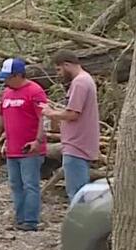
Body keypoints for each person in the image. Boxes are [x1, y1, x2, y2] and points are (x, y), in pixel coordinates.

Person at [0, 58, 48, 232]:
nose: (5, 82)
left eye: (8, 78)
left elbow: (43, 117)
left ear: (18, 75)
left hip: (29, 148)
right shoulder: (7, 93)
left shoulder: (35, 91)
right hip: (12, 148)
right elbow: (2, 116)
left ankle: (31, 220)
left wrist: (38, 141)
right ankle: (20, 218)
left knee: (30, 184)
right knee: (15, 184)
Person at [41, 50, 100, 203]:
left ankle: (81, 224)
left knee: (77, 193)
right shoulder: (85, 80)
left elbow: (73, 114)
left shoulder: (80, 82)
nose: (58, 74)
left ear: (67, 64)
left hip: (77, 145)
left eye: (59, 69)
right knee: (79, 190)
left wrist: (50, 113)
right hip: (80, 143)